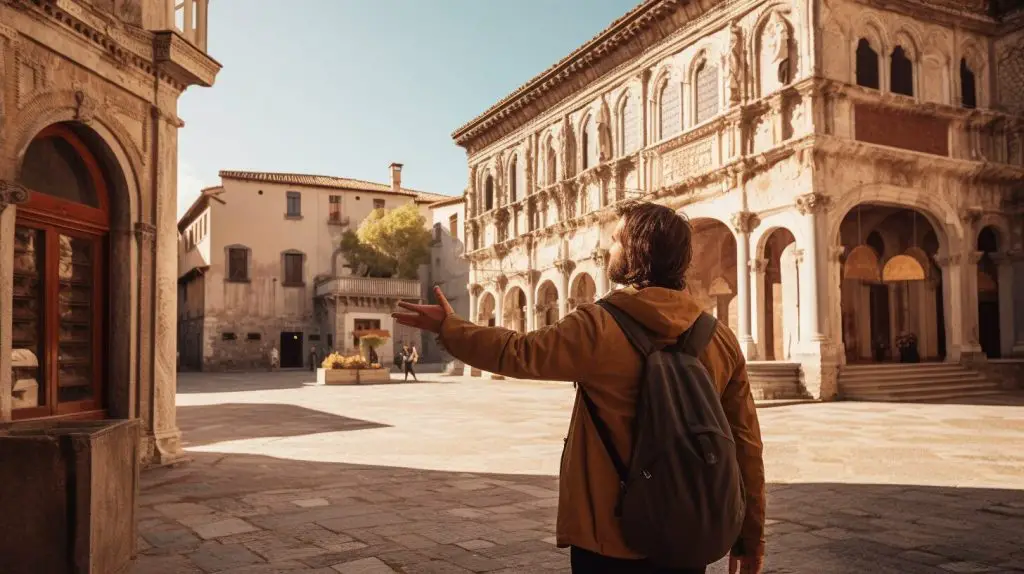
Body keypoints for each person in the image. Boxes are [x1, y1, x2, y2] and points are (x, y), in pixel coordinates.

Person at [393, 201, 765, 574]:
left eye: (617, 240)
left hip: (607, 533)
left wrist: (450, 327)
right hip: (688, 529)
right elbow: (746, 444)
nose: (609, 248)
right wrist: (750, 537)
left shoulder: (598, 327)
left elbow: (517, 353)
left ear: (636, 252)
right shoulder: (721, 339)